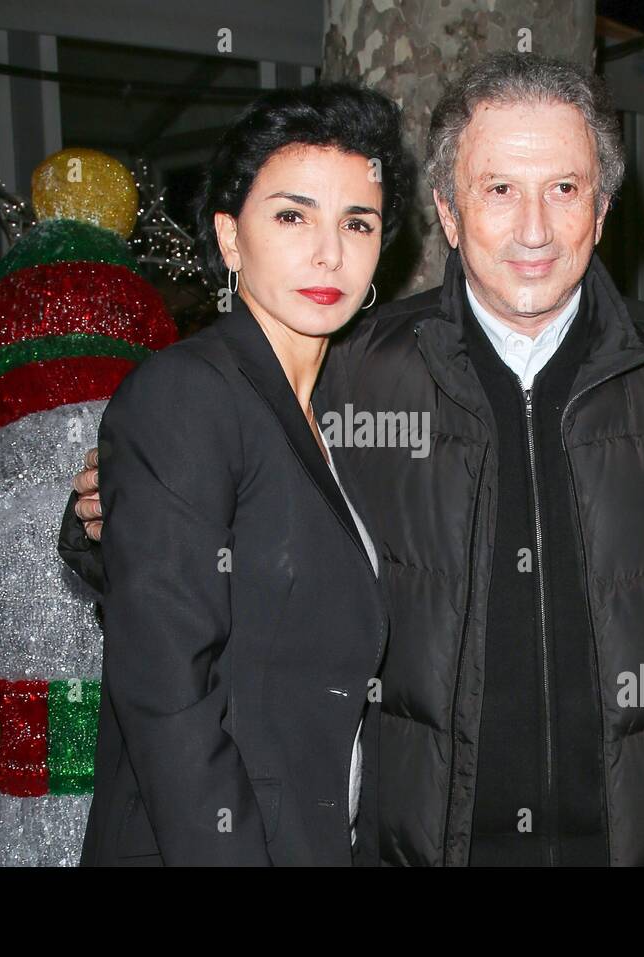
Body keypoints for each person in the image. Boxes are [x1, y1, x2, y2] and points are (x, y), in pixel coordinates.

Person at [63, 53, 644, 867]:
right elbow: (238, 569)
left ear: (600, 211)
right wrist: (105, 525)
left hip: (643, 845)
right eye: (498, 190)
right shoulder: (352, 368)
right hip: (414, 848)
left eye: (564, 188)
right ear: (449, 215)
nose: (533, 228)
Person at [69, 83, 413, 865]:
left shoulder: (338, 412)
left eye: (356, 222)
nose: (329, 252)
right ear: (230, 237)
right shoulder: (188, 392)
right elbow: (167, 696)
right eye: (292, 215)